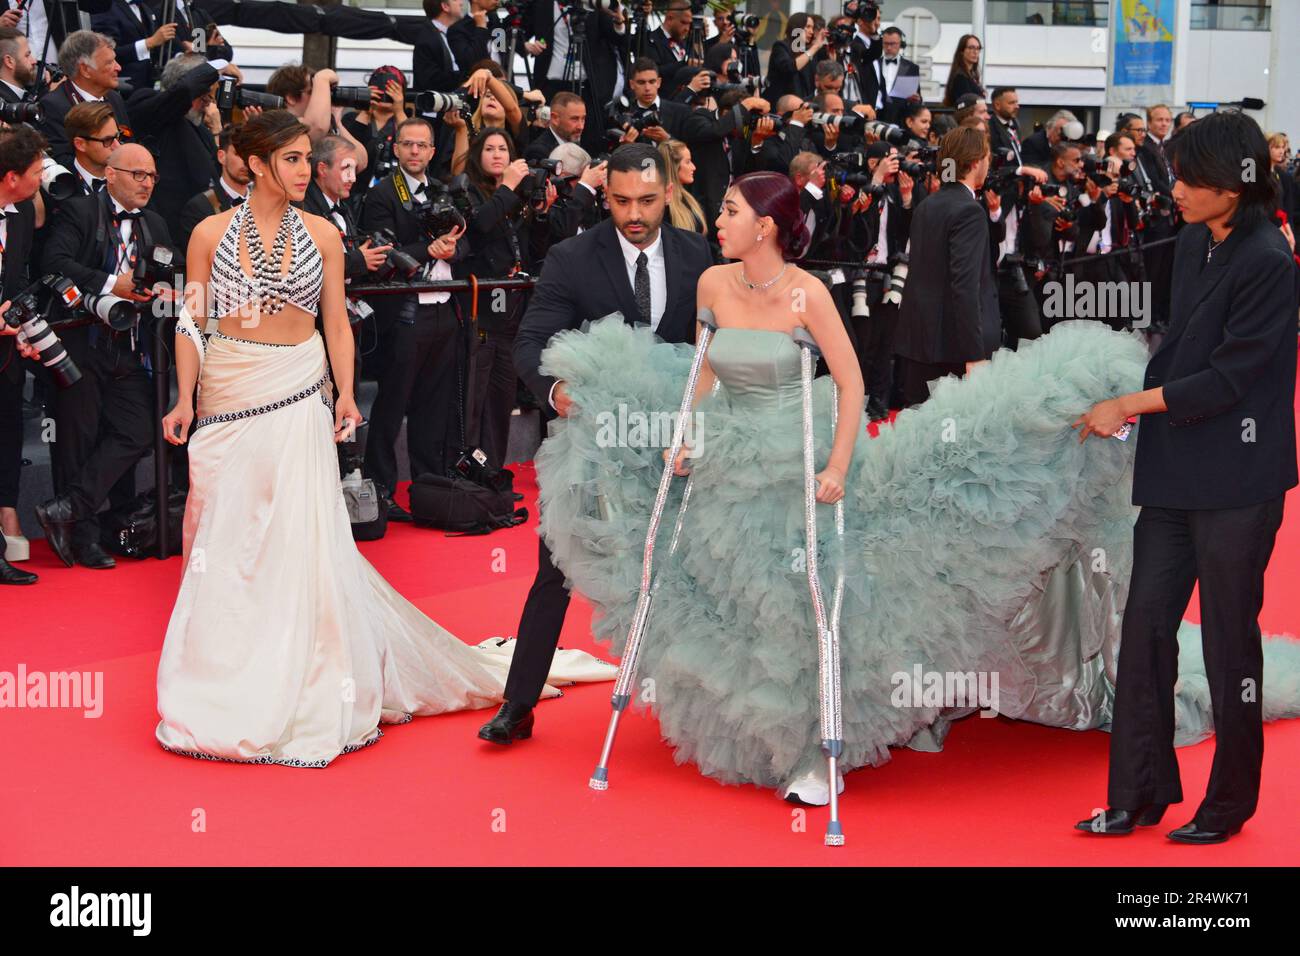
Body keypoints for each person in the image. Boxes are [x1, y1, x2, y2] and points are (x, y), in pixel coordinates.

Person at [528, 167, 1300, 809]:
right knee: (750, 605)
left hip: (795, 456)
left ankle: (822, 752)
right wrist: (686, 436)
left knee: (811, 606)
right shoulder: (712, 287)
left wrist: (836, 466)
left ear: (766, 224)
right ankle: (773, 731)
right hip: (727, 460)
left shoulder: (808, 294)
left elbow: (854, 381)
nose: (716, 221)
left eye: (729, 211)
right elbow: (700, 377)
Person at [154, 109, 612, 767]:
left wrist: (344, 393)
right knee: (225, 539)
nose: (304, 170)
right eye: (290, 159)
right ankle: (222, 675)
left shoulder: (323, 234)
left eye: (307, 158)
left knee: (298, 541)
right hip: (227, 398)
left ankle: (303, 677)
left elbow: (336, 323)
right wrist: (182, 395)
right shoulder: (205, 233)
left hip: (296, 393)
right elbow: (191, 323)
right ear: (254, 164)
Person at [1073, 110, 1300, 845]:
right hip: (1173, 472)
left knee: (1232, 644)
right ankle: (1136, 792)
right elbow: (1176, 348)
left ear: (1232, 188)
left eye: (1187, 176)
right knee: (1143, 632)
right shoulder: (1197, 243)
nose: (1174, 188)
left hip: (1238, 477)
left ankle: (1229, 802)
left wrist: (1128, 404)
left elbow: (1228, 379)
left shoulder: (1269, 259)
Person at [475, 142, 713, 747]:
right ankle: (518, 704)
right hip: (592, 442)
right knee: (556, 566)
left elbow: (711, 343)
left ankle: (698, 704)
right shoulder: (572, 257)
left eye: (648, 201)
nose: (634, 214)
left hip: (671, 439)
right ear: (605, 193)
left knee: (685, 566)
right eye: (622, 200)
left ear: (669, 194)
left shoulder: (696, 255)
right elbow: (529, 341)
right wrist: (555, 392)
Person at [35, 143, 168, 570]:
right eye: (137, 174)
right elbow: (52, 263)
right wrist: (112, 284)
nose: (146, 183)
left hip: (130, 349)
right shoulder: (79, 211)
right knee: (76, 440)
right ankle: (84, 539)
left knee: (139, 430)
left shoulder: (157, 223)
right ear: (110, 174)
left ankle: (68, 508)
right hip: (80, 343)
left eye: (151, 176)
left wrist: (167, 289)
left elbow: (172, 272)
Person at [359, 116, 465, 520]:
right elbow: (384, 254)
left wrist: (452, 250)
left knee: (433, 405)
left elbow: (466, 240)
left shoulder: (442, 191)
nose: (415, 152)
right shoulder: (383, 194)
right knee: (392, 404)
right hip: (404, 313)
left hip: (444, 307)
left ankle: (428, 485)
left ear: (433, 151)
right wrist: (430, 249)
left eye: (422, 145)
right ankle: (382, 490)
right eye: (408, 145)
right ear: (397, 149)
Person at [893, 126, 999, 407]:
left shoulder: (928, 204)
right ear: (976, 161)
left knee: (923, 432)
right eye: (988, 157)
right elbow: (965, 286)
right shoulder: (969, 211)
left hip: (920, 341)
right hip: (953, 348)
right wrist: (974, 354)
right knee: (956, 439)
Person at [0, 124, 46, 584]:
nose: (41, 179)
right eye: (36, 172)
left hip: (6, 354)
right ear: (12, 177)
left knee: (9, 435)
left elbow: (15, 281)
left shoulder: (18, 216)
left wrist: (20, 328)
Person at [37, 30, 131, 167]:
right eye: (109, 62)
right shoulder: (53, 106)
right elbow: (62, 161)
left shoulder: (114, 98)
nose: (118, 67)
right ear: (85, 70)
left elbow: (128, 140)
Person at [176, 123, 249, 255]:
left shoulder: (266, 205)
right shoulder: (199, 207)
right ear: (222, 156)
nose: (246, 161)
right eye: (239, 153)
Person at [763, 12, 821, 105]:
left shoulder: (806, 52)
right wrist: (814, 48)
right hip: (780, 105)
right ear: (797, 27)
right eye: (808, 27)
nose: (811, 31)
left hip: (802, 105)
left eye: (812, 28)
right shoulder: (780, 46)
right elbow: (789, 67)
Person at [659, 138, 708, 236]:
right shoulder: (663, 206)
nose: (694, 167)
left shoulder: (688, 198)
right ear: (674, 166)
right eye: (688, 162)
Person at [942, 33, 984, 107]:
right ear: (962, 51)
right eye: (971, 48)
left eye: (978, 48)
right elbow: (966, 104)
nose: (975, 52)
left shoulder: (971, 75)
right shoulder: (960, 77)